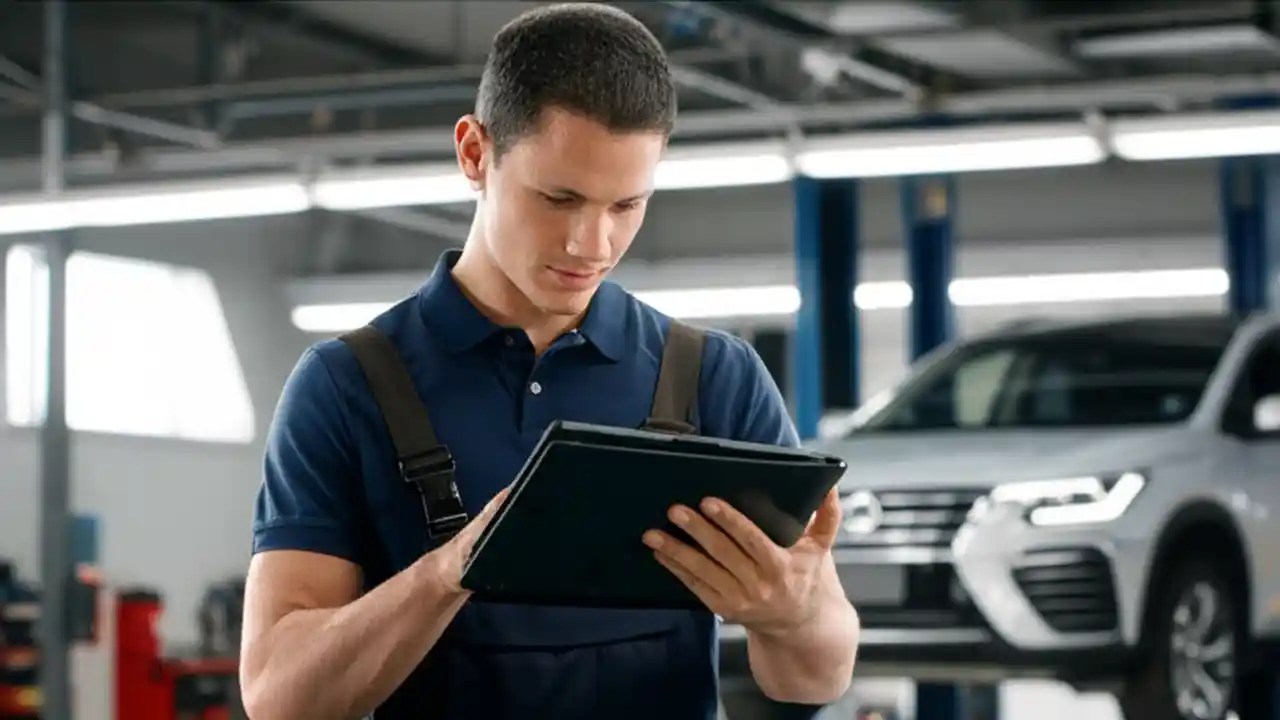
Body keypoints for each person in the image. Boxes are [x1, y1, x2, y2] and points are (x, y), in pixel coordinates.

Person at [238, 4, 860, 719]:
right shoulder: (346, 387)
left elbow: (816, 679)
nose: (591, 243)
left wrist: (791, 615)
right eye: (558, 198)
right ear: (475, 153)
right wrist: (448, 572)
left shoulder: (715, 378)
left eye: (627, 204)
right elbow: (280, 698)